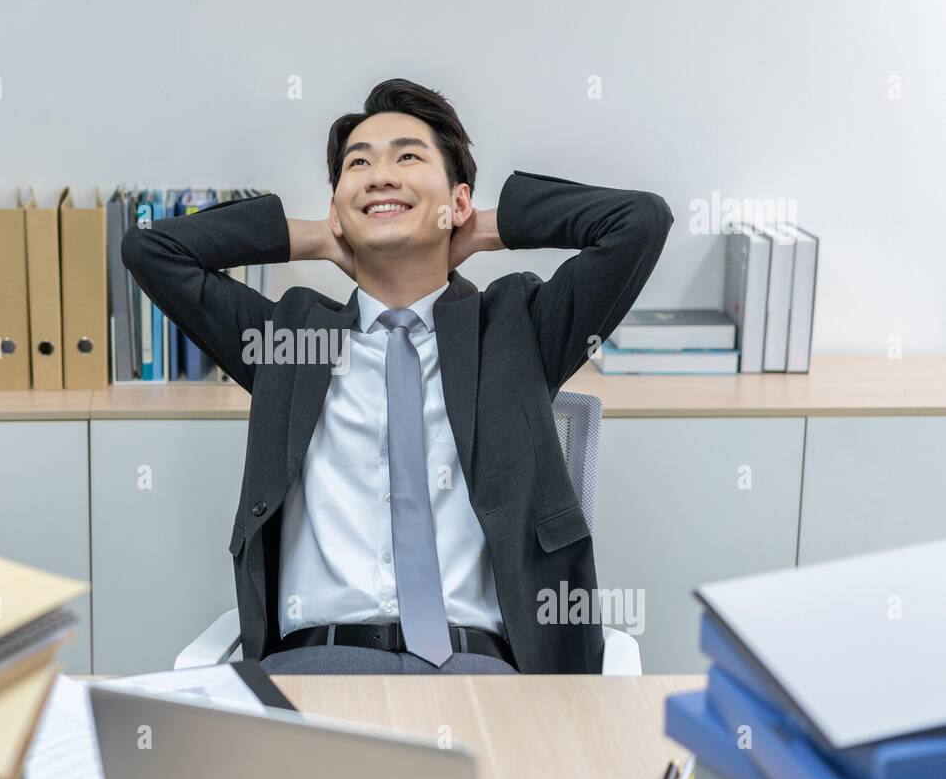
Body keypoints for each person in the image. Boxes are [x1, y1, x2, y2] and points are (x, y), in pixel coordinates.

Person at [122, 78, 673, 674]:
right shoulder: (291, 342)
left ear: (456, 199)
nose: (380, 175)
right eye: (359, 164)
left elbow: (638, 222)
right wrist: (315, 236)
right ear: (337, 206)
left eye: (408, 156)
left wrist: (485, 227)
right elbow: (150, 249)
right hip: (318, 666)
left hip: (480, 672)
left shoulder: (517, 330)